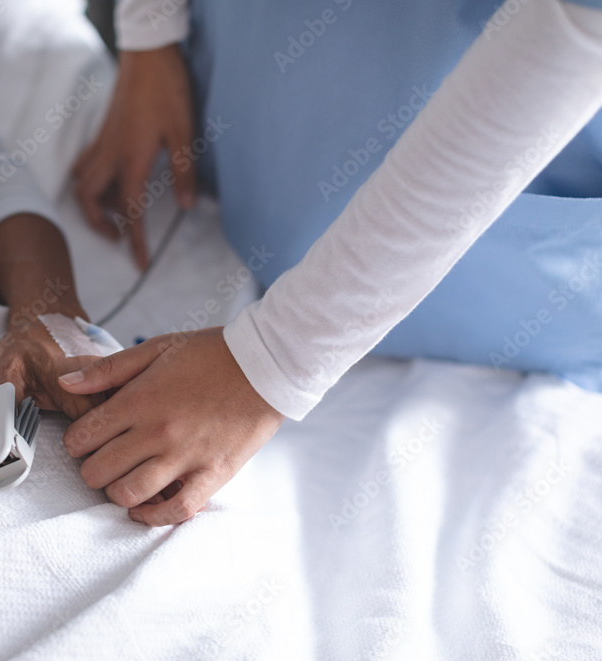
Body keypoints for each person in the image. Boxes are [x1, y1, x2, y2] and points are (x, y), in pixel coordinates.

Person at [60, 0, 602, 527]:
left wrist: (274, 359)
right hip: (257, 90)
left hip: (505, 248)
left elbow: (572, 33)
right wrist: (150, 34)